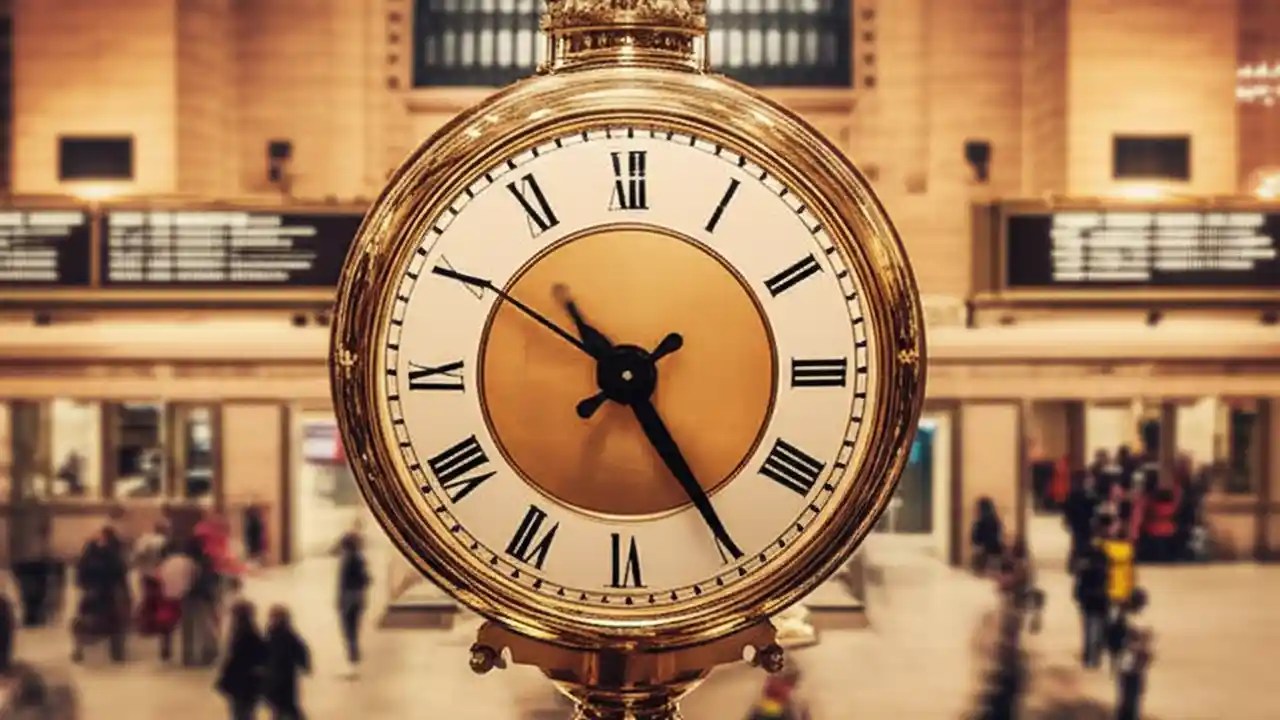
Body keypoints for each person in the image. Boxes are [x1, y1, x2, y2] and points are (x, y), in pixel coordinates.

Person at [71, 527, 130, 663]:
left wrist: (86, 586)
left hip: (92, 593)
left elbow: (79, 577)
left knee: (83, 622)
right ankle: (117, 653)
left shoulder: (88, 556)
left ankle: (79, 650)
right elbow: (121, 577)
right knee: (114, 624)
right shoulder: (113, 555)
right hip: (108, 594)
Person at [216, 601, 267, 720]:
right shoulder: (253, 634)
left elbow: (235, 660)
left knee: (241, 713)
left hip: (242, 684)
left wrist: (224, 679)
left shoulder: (242, 634)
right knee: (245, 713)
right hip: (250, 684)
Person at [264, 606, 311, 720]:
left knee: (284, 708)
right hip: (281, 679)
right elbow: (302, 653)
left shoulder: (277, 636)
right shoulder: (285, 636)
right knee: (285, 708)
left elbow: (302, 653)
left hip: (280, 679)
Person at [1073, 533, 1110, 669]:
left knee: (1088, 627)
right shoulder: (1103, 561)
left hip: (1087, 598)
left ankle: (1089, 655)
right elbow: (1108, 579)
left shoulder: (1084, 562)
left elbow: (1079, 582)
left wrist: (1078, 595)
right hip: (1100, 597)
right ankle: (1095, 655)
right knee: (1098, 626)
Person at [336, 533, 371, 677]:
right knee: (353, 629)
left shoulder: (348, 560)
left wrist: (340, 599)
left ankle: (353, 660)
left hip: (349, 598)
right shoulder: (359, 558)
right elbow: (367, 579)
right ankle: (354, 659)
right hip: (357, 597)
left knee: (349, 630)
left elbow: (343, 583)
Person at [1063, 470, 1099, 570]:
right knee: (1081, 542)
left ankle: (1076, 563)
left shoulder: (1075, 494)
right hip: (1083, 522)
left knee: (1078, 542)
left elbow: (1067, 508)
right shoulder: (1086, 494)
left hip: (1079, 522)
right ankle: (1080, 563)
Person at [1117, 626, 1154, 720]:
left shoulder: (1140, 652)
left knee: (1130, 701)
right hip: (1131, 677)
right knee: (1130, 701)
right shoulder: (1135, 651)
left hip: (1132, 677)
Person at [970, 498, 1004, 575]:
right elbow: (998, 537)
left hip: (983, 554)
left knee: (981, 576)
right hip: (995, 553)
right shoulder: (996, 522)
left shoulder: (979, 524)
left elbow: (976, 540)